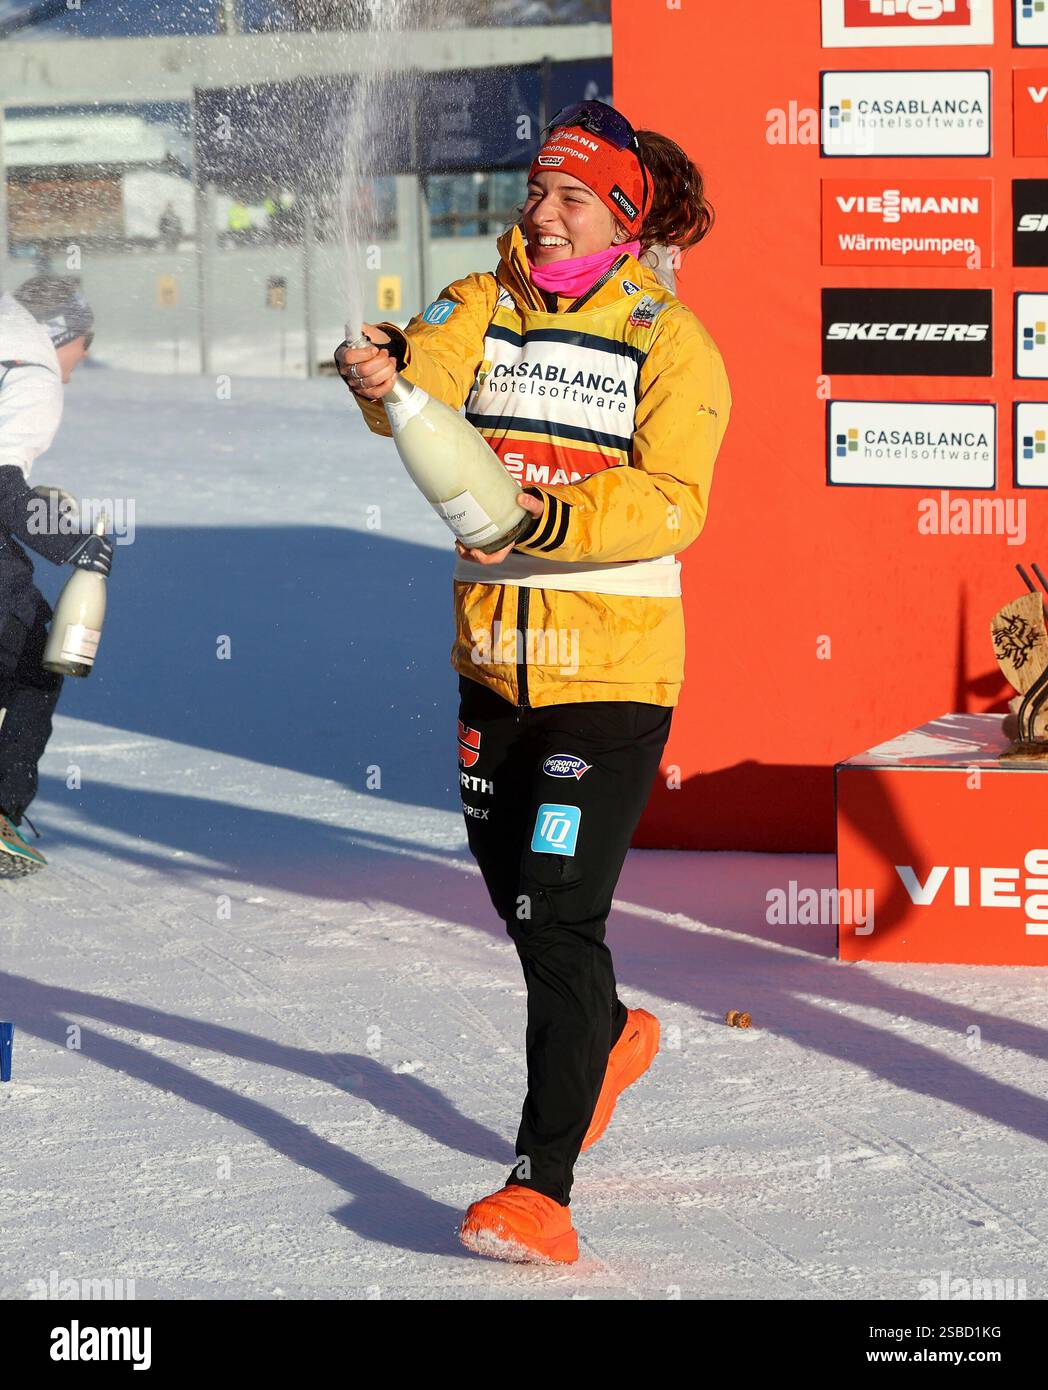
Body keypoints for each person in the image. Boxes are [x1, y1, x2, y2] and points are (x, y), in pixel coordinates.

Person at [336, 100, 731, 1264]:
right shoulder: (482, 295)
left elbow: (676, 501)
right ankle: (604, 1039)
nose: (542, 214)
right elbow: (429, 365)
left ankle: (539, 1184)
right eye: (536, 192)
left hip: (610, 671)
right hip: (490, 674)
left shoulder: (670, 339)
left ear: (620, 214)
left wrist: (544, 519)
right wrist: (383, 371)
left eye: (570, 198)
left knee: (558, 914)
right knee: (522, 906)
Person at [0, 275, 113, 876]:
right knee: (31, 655)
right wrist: (79, 548)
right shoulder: (34, 365)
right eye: (83, 341)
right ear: (62, 334)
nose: (84, 357)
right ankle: (2, 811)